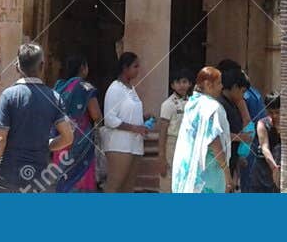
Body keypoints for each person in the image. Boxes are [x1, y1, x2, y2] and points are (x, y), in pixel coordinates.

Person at [0, 42, 74, 193]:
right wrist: (46, 144)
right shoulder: (54, 98)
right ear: (42, 66)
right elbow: (68, 137)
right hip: (38, 178)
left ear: (17, 66)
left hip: (6, 177)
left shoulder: (8, 96)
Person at [171, 66, 231, 194]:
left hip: (187, 169)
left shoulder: (192, 104)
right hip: (208, 174)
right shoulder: (212, 107)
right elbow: (214, 141)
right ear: (208, 85)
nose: (221, 87)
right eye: (219, 83)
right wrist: (227, 172)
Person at [52, 54, 102, 192]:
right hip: (81, 142)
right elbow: (96, 114)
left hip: (61, 141)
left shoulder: (59, 87)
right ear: (83, 68)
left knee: (63, 179)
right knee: (81, 182)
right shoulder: (84, 87)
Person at [102, 51, 147, 192]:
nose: (138, 70)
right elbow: (109, 119)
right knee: (114, 186)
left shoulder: (131, 89)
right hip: (119, 145)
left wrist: (143, 119)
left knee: (128, 188)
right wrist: (135, 128)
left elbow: (127, 113)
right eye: (135, 66)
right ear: (125, 68)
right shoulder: (115, 88)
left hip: (135, 145)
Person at [155, 69, 193, 193]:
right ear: (172, 85)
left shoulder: (192, 103)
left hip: (188, 143)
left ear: (190, 84)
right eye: (178, 82)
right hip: (172, 144)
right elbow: (163, 130)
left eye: (184, 81)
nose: (181, 85)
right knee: (168, 181)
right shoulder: (168, 104)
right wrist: (161, 156)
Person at [219, 69, 255, 191]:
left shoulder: (233, 104)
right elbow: (217, 135)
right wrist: (241, 137)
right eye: (242, 91)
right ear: (234, 87)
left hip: (232, 158)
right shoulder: (220, 105)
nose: (243, 95)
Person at [241, 93, 282, 192]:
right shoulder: (262, 124)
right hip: (263, 169)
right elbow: (265, 147)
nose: (274, 116)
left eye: (277, 112)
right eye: (271, 112)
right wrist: (274, 167)